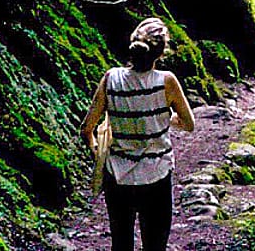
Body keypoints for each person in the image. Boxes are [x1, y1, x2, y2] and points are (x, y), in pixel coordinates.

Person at [82, 18, 195, 251]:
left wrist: (98, 153)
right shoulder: (167, 81)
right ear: (161, 52)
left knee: (121, 244)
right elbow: (188, 123)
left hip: (118, 176)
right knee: (155, 246)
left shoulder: (110, 79)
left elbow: (87, 129)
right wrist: (164, 117)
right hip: (157, 175)